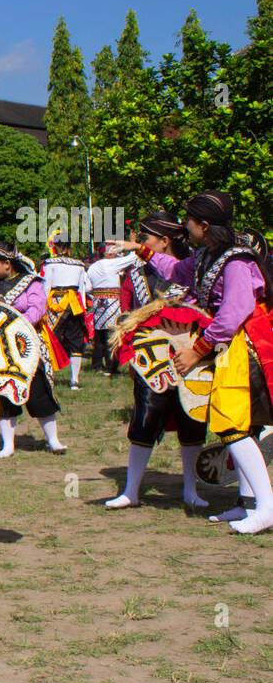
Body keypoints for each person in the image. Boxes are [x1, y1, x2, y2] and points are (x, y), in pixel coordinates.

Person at [117, 191, 273, 534]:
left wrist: (197, 349)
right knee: (240, 426)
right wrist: (142, 251)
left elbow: (234, 312)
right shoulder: (207, 257)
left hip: (246, 345)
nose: (184, 226)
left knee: (231, 422)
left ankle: (266, 507)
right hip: (228, 345)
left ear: (204, 225)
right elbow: (176, 270)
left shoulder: (236, 261)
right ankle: (246, 504)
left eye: (189, 220)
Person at [104, 212, 208, 510]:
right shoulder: (135, 273)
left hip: (190, 352)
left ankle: (191, 488)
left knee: (191, 416)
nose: (138, 243)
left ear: (164, 241)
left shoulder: (189, 270)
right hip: (151, 356)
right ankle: (131, 490)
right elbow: (126, 307)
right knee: (146, 414)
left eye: (144, 239)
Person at [0, 241, 67, 456]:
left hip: (27, 344)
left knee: (38, 390)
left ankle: (53, 440)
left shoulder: (30, 282)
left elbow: (38, 308)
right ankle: (8, 445)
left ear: (7, 264)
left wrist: (15, 326)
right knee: (3, 391)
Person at [41, 234, 91, 390]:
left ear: (55, 246)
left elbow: (46, 287)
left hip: (55, 302)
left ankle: (49, 378)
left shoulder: (49, 263)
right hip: (74, 303)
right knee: (76, 341)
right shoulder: (79, 264)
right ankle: (74, 381)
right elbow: (85, 289)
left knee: (49, 339)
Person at [87, 246, 139, 376]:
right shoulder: (112, 264)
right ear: (110, 254)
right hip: (112, 302)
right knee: (112, 335)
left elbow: (87, 288)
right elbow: (133, 257)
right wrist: (135, 245)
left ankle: (97, 365)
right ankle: (110, 367)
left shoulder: (93, 267)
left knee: (99, 336)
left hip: (98, 301)